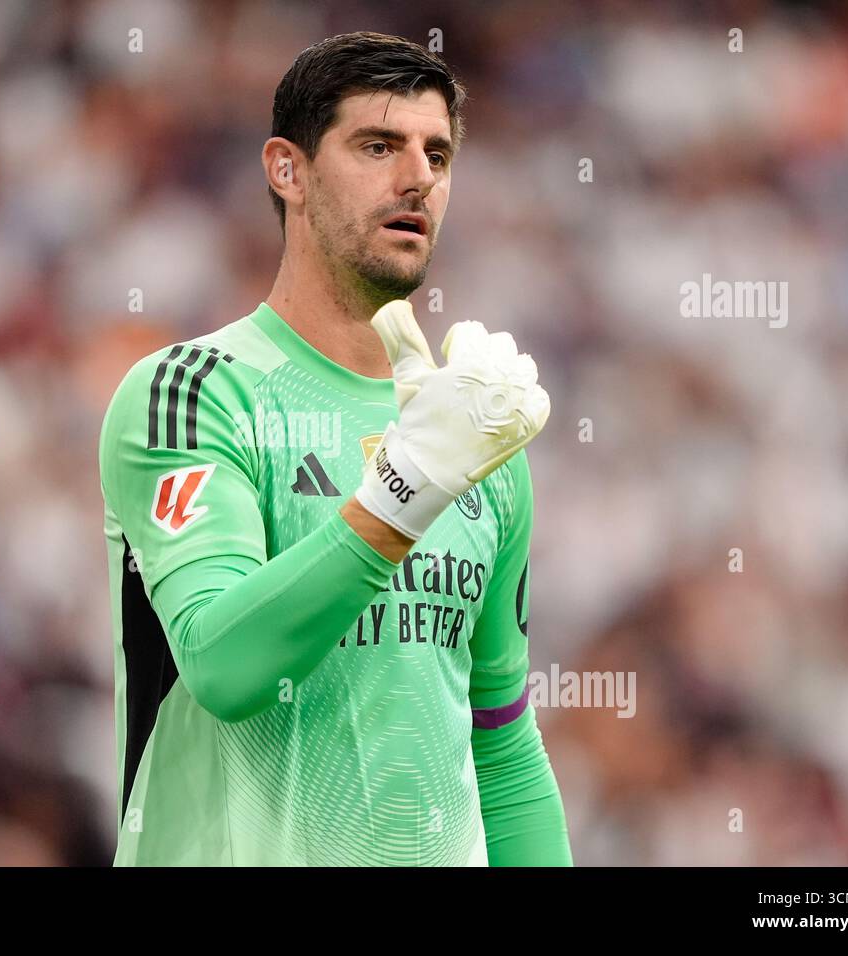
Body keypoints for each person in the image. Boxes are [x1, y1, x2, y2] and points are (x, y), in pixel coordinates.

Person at [99, 31, 571, 866]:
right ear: (288, 170)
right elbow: (225, 664)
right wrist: (408, 486)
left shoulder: (474, 429)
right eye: (377, 145)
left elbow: (501, 740)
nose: (417, 176)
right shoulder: (195, 393)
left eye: (438, 153)